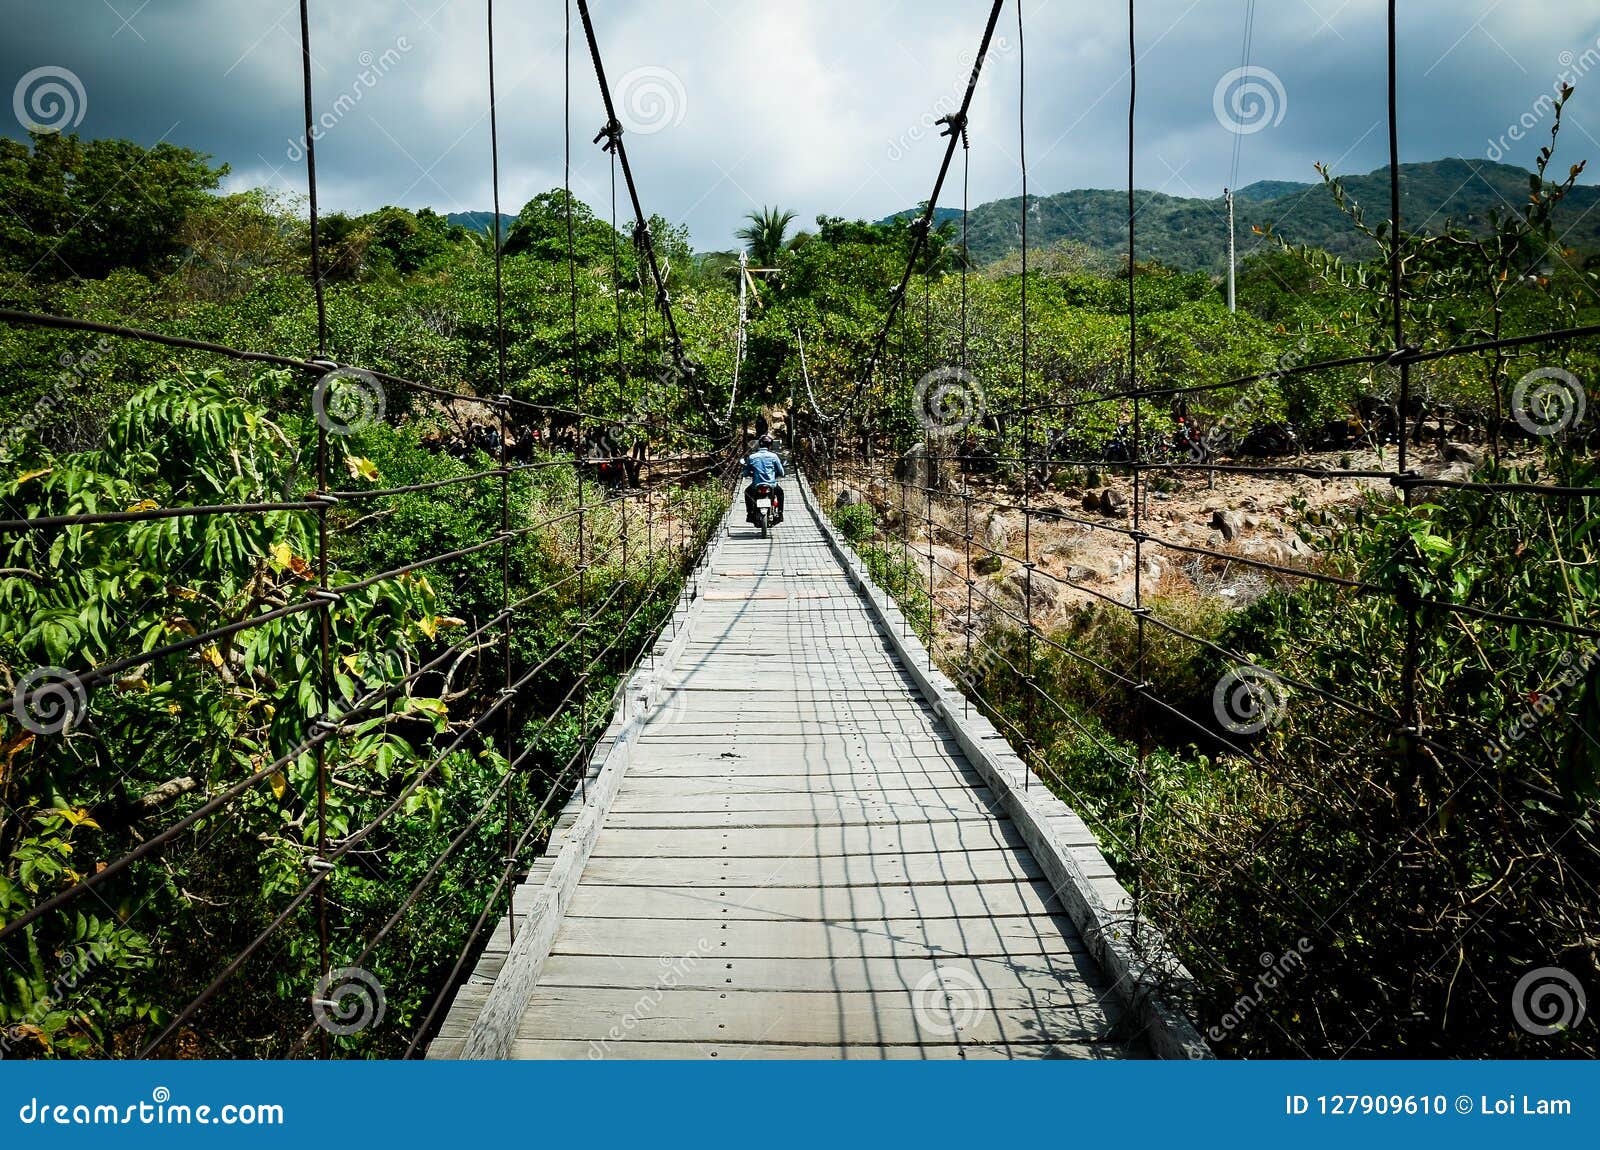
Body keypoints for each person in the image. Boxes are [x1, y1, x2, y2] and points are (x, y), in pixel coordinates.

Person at [743, 434, 786, 525]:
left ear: (759, 445)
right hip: (772, 484)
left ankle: (750, 514)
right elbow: (782, 472)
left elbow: (745, 473)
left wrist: (749, 473)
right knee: (780, 493)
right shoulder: (774, 456)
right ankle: (780, 513)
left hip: (756, 485)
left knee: (747, 492)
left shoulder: (752, 457)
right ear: (770, 446)